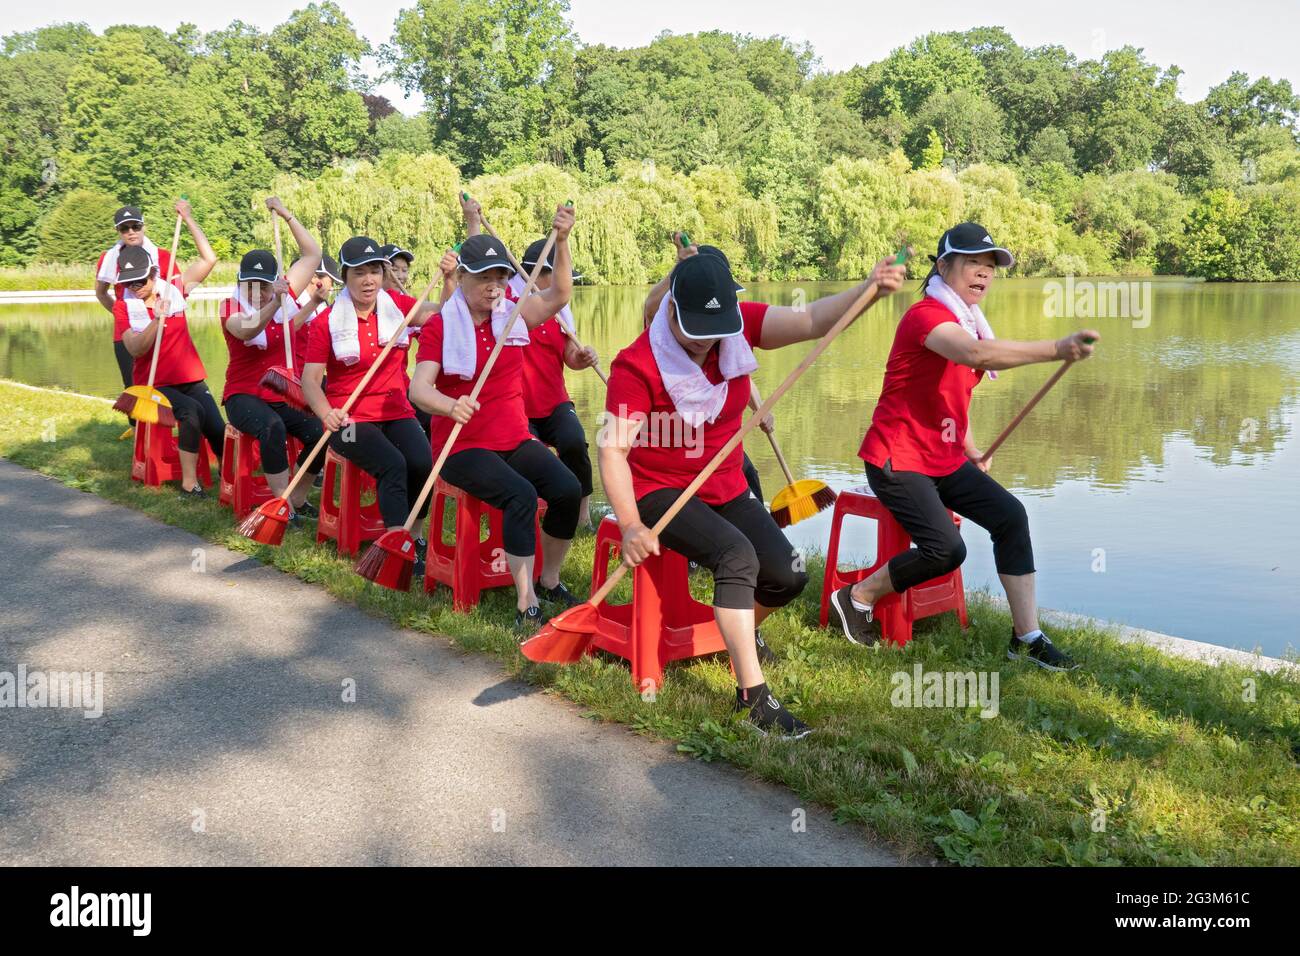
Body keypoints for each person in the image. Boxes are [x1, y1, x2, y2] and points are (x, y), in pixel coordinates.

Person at [601, 251, 907, 738]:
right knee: (736, 555)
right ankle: (753, 698)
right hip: (660, 490)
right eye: (694, 330)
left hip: (723, 483)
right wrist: (632, 524)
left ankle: (734, 633)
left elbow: (810, 319)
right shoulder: (636, 365)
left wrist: (868, 290)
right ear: (672, 309)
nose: (705, 343)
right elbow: (613, 452)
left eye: (714, 331)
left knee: (787, 573)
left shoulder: (738, 328)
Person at [828, 223, 1098, 671]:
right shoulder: (927, 317)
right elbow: (976, 356)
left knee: (1011, 516)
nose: (983, 274)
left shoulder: (967, 321)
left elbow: (951, 398)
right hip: (898, 459)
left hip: (943, 456)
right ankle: (857, 596)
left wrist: (971, 450)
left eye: (990, 267)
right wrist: (1055, 347)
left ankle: (1026, 636)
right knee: (947, 549)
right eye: (972, 263)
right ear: (943, 266)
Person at [409, 204, 582, 632]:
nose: (494, 287)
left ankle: (549, 579)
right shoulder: (441, 326)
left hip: (514, 438)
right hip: (462, 447)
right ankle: (526, 602)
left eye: (500, 277)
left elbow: (559, 295)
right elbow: (418, 389)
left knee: (566, 488)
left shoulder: (513, 314)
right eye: (484, 278)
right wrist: (451, 406)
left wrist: (561, 241)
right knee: (520, 495)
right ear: (462, 277)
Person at [302, 236, 440, 570]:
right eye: (359, 273)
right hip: (347, 421)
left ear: (384, 273)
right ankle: (397, 550)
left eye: (375, 271)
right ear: (346, 277)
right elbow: (310, 381)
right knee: (392, 464)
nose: (368, 280)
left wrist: (449, 279)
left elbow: (444, 314)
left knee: (423, 462)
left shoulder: (399, 307)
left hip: (395, 409)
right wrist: (327, 413)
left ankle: (415, 538)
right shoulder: (326, 323)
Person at [220, 197, 326, 518]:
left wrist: (286, 215)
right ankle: (280, 506)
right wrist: (274, 302)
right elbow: (248, 331)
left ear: (274, 282)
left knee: (320, 434)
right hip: (243, 395)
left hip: (277, 391)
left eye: (263, 286)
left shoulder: (283, 294)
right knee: (273, 427)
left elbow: (313, 254)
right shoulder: (230, 307)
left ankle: (297, 497)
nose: (256, 291)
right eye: (249, 285)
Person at [642, 236, 768, 503]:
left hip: (713, 437)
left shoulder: (725, 328)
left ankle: (760, 530)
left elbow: (736, 373)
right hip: (673, 440)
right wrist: (678, 268)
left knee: (747, 472)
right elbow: (650, 306)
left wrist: (760, 409)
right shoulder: (666, 319)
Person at [112, 199, 221, 497]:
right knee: (191, 413)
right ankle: (189, 483)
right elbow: (134, 349)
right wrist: (156, 320)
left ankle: (229, 480)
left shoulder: (174, 288)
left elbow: (209, 259)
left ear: (153, 274)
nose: (137, 287)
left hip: (190, 377)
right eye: (130, 282)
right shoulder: (125, 308)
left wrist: (187, 218)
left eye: (141, 280)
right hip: (155, 384)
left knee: (218, 429)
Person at [512, 235, 598, 530]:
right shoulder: (509, 308)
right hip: (517, 408)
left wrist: (582, 356)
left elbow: (570, 357)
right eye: (557, 274)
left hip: (554, 403)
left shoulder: (561, 313)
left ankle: (583, 515)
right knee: (529, 454)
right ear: (538, 274)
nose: (564, 282)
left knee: (574, 441)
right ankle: (531, 514)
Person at [96, 205, 176, 389]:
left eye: (135, 226)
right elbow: (101, 293)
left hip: (160, 326)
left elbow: (177, 293)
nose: (131, 232)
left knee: (166, 387)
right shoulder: (108, 258)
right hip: (126, 333)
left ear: (143, 226)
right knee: (134, 389)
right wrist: (122, 315)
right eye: (124, 228)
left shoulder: (162, 256)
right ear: (118, 231)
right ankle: (137, 419)